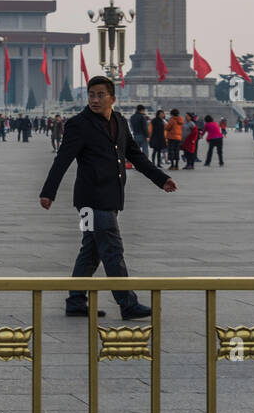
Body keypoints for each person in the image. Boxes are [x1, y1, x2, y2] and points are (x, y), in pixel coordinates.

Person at [39, 75, 177, 320]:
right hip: (90, 201)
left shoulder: (119, 121)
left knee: (91, 250)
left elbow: (135, 154)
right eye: (91, 95)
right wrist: (49, 192)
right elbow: (62, 160)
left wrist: (160, 179)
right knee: (112, 248)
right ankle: (127, 303)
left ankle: (76, 301)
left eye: (100, 95)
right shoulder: (79, 124)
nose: (95, 99)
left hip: (111, 197)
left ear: (112, 98)